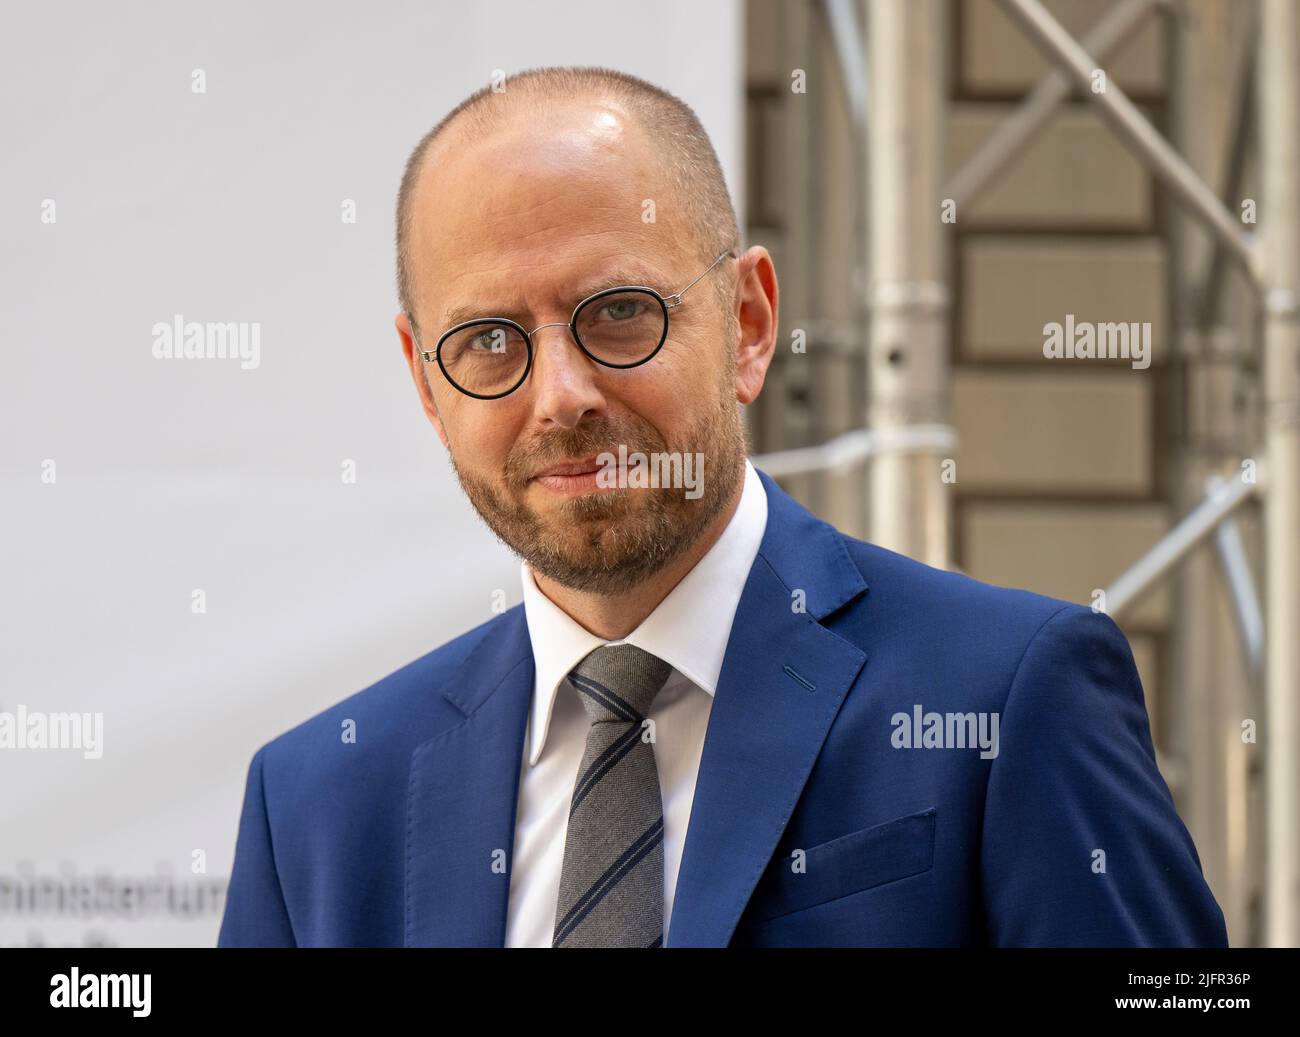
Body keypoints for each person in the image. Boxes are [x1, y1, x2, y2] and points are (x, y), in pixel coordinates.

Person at [218, 65, 1227, 948]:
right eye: (488, 339)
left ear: (747, 324)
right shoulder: (317, 803)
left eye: (618, 313)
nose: (559, 393)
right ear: (426, 385)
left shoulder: (1006, 699)